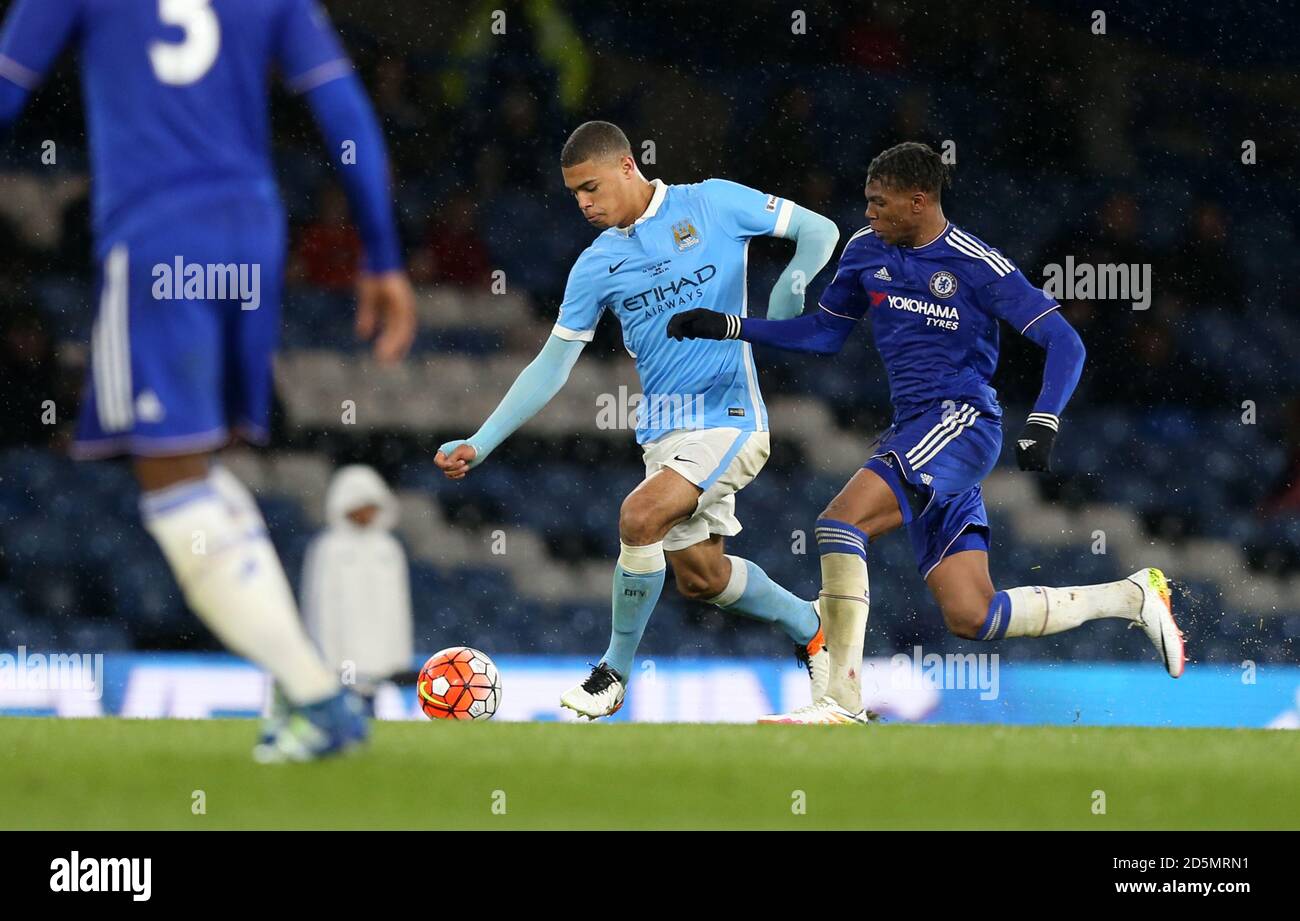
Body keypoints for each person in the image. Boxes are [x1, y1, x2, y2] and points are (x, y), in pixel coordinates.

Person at [0, 0, 417, 759]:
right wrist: (383, 254)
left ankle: (320, 699)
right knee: (200, 464)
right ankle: (301, 689)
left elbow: (5, 89)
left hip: (156, 233)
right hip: (250, 236)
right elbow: (344, 110)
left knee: (170, 486)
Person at [669, 142, 1184, 724]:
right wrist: (732, 326)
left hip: (961, 421)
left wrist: (1044, 418)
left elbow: (1066, 340)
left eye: (878, 202)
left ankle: (840, 700)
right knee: (973, 615)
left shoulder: (977, 264)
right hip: (918, 430)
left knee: (840, 523)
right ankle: (1132, 596)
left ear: (919, 201)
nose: (867, 213)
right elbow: (823, 333)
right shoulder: (865, 252)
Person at [435, 121, 841, 719]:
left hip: (731, 416)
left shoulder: (714, 202)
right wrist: (482, 440)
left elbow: (819, 228)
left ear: (629, 167)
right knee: (702, 577)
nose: (584, 204)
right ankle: (812, 626)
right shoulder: (596, 265)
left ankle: (612, 674)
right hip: (663, 433)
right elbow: (552, 365)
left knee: (638, 515)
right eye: (575, 194)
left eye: (591, 188)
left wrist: (793, 282)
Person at [301, 466, 413, 714]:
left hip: (380, 655)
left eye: (373, 505)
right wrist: (325, 656)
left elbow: (399, 607)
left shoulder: (389, 548)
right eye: (362, 505)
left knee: (370, 712)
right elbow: (319, 605)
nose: (368, 512)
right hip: (339, 655)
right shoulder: (328, 548)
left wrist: (399, 658)